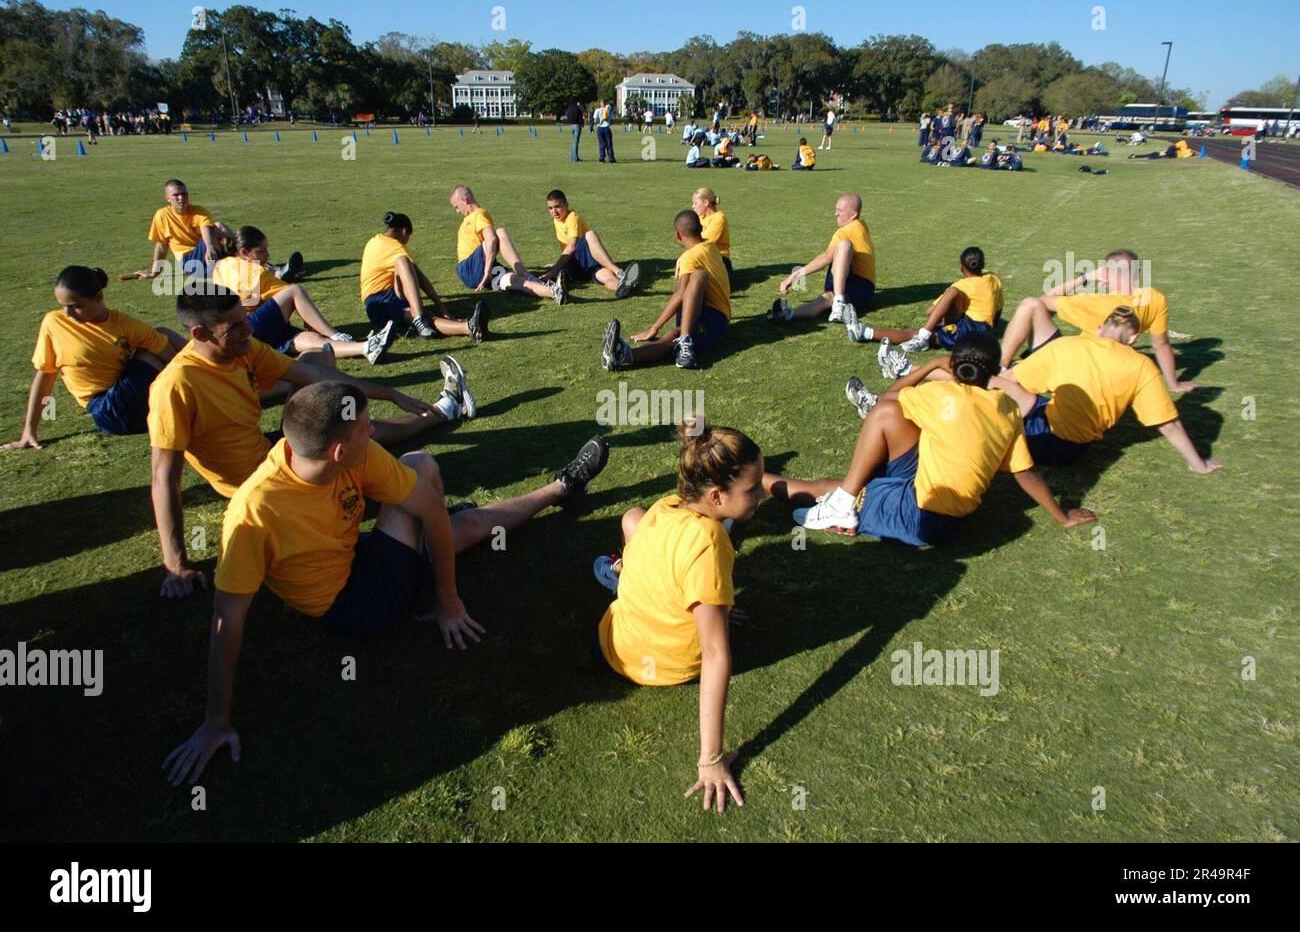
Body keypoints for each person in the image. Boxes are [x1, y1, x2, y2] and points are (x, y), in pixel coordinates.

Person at [162, 379, 610, 785]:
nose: (373, 432)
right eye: (365, 428)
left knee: (430, 488)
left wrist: (444, 586)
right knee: (445, 510)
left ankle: (558, 490)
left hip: (356, 553)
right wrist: (216, 720)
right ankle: (561, 488)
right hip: (359, 606)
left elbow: (427, 506)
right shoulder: (253, 512)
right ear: (338, 451)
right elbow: (227, 621)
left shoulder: (337, 455)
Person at [147, 286, 471, 600]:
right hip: (261, 479)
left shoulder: (242, 350)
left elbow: (313, 376)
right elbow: (164, 479)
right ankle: (446, 409)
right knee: (361, 434)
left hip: (270, 448)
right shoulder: (176, 387)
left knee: (320, 356)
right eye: (235, 327)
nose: (248, 329)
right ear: (200, 335)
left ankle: (440, 425)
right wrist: (176, 566)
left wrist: (390, 393)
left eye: (245, 320)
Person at [765, 333, 1093, 542]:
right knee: (887, 418)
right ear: (993, 371)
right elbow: (1026, 473)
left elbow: (890, 396)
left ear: (952, 365)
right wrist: (1062, 516)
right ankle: (840, 497)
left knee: (826, 485)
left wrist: (928, 366)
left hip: (924, 514)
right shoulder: (1006, 407)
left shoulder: (943, 394)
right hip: (932, 489)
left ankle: (764, 482)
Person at [593, 419, 761, 813]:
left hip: (612, 642)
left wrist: (718, 607)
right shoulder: (710, 543)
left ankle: (614, 569)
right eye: (752, 489)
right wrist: (711, 759)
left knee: (630, 527)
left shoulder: (665, 507)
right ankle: (613, 570)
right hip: (663, 667)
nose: (760, 496)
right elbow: (716, 654)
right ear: (716, 496)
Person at [991, 307, 1223, 472]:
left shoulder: (1067, 345)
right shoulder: (1141, 365)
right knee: (1022, 396)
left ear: (1100, 329)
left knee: (984, 381)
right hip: (1075, 445)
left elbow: (1009, 379)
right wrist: (1198, 463)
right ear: (1133, 337)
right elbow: (1168, 424)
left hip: (1048, 441)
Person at [4, 266, 185, 448]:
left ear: (98, 298)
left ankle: (205, 381)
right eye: (63, 306)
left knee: (162, 336)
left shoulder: (124, 323)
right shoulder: (53, 323)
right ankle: (205, 383)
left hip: (135, 401)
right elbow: (45, 375)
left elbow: (173, 358)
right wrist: (29, 430)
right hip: (109, 411)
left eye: (76, 307)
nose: (68, 314)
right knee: (160, 342)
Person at [997, 249, 1197, 392]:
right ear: (1139, 274)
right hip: (1101, 370)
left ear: (1106, 274)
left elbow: (1045, 299)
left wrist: (1084, 278)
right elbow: (1161, 345)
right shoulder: (1155, 298)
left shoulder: (1097, 303)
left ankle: (1001, 366)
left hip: (1069, 365)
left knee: (1030, 304)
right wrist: (1174, 384)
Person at [215, 226, 394, 365]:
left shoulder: (222, 265)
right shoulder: (254, 271)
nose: (267, 255)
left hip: (234, 337)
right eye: (261, 251)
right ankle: (336, 336)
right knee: (296, 291)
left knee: (304, 341)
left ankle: (366, 348)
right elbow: (291, 297)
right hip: (248, 327)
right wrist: (320, 326)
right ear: (245, 253)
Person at [600, 209, 731, 371]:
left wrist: (654, 328)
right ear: (701, 228)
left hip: (716, 321)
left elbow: (681, 292)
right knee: (678, 332)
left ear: (678, 235)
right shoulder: (711, 246)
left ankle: (624, 355)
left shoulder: (690, 257)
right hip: (705, 310)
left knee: (698, 278)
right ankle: (624, 355)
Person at [359, 211, 487, 346]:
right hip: (379, 304)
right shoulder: (393, 246)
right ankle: (421, 318)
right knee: (403, 262)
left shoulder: (374, 241)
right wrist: (441, 307)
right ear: (404, 231)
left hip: (384, 298)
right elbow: (419, 277)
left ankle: (468, 327)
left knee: (425, 312)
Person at [845, 247, 1001, 356]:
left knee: (920, 332)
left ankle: (922, 337)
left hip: (970, 332)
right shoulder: (993, 278)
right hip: (982, 328)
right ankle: (864, 332)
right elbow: (998, 309)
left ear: (961, 266)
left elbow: (931, 311)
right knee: (924, 330)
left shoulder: (961, 285)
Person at [769, 193, 876, 325]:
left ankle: (838, 302)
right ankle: (789, 314)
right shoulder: (862, 227)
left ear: (853, 214)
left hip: (856, 284)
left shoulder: (844, 232)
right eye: (836, 209)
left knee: (844, 246)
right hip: (865, 295)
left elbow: (825, 259)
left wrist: (794, 276)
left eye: (840, 210)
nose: (836, 214)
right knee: (825, 299)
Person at [448, 186, 564, 303]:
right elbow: (492, 239)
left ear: (464, 200)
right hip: (472, 267)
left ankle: (554, 292)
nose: (457, 211)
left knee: (516, 282)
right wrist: (488, 271)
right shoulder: (478, 215)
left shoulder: (477, 215)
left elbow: (491, 241)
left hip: (470, 275)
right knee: (500, 232)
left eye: (457, 207)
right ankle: (525, 273)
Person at [539, 190, 641, 297]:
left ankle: (623, 287)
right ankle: (620, 272)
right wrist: (556, 267)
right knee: (590, 235)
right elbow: (569, 247)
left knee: (607, 276)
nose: (554, 211)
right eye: (550, 208)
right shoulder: (557, 220)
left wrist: (554, 270)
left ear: (566, 204)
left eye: (557, 206)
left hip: (584, 264)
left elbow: (571, 246)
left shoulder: (572, 217)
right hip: (576, 264)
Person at [691, 187, 734, 290]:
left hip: (719, 259)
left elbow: (706, 242)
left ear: (706, 202)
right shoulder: (699, 218)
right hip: (702, 256)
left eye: (695, 203)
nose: (693, 206)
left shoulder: (719, 218)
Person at [594, 98, 616, 163]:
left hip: (602, 128)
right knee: (607, 143)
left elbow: (595, 120)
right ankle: (609, 158)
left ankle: (603, 158)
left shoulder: (598, 110)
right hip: (604, 128)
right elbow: (612, 121)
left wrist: (601, 121)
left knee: (603, 143)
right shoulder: (607, 110)